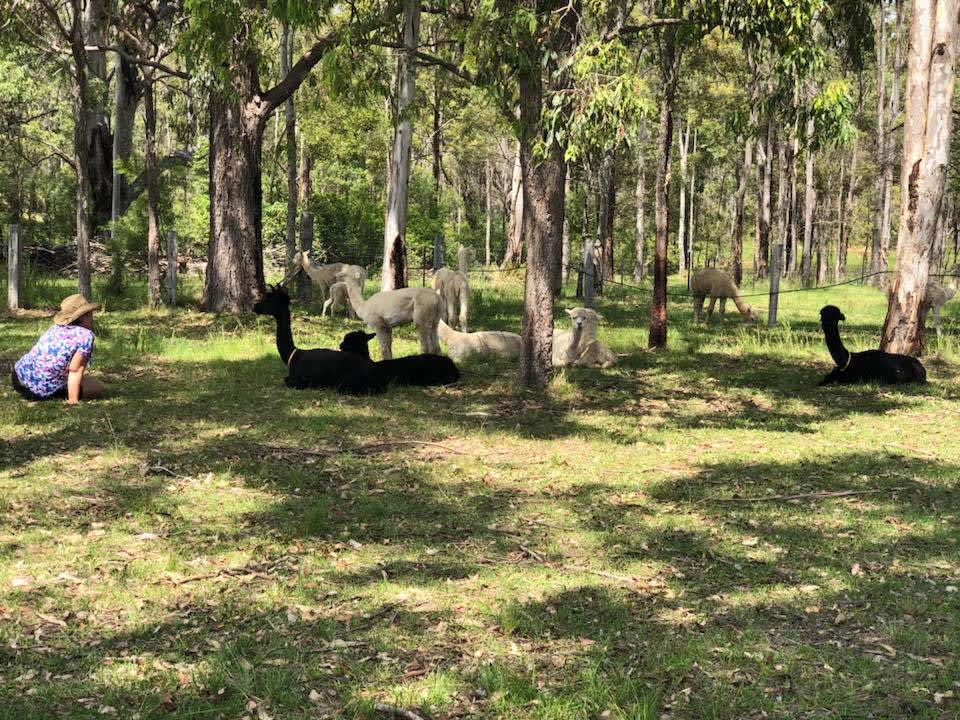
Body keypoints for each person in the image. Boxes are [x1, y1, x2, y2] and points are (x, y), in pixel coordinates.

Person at [11, 294, 105, 404]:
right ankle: (67, 393)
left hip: (18, 377)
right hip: (40, 389)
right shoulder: (85, 336)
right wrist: (73, 399)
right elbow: (75, 370)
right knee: (96, 387)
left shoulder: (55, 328)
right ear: (85, 316)